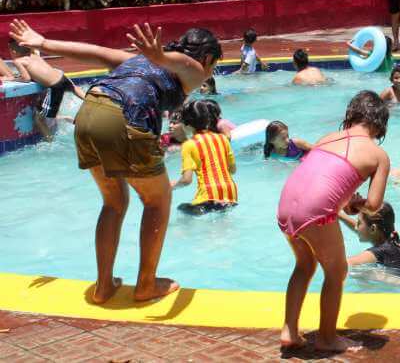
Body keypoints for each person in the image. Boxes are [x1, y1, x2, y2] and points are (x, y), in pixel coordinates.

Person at [10, 19, 221, 303]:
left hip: (89, 114)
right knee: (158, 201)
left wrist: (45, 44)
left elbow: (95, 53)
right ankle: (146, 284)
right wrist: (158, 56)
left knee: (114, 202)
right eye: (214, 65)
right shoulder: (193, 68)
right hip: (122, 118)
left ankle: (103, 286)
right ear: (207, 58)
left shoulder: (136, 60)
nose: (210, 72)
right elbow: (180, 62)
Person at [277, 90, 390, 351]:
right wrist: (358, 204)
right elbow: (373, 205)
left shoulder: (327, 138)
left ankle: (289, 330)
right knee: (337, 270)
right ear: (380, 124)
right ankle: (327, 338)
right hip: (314, 212)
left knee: (304, 265)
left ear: (351, 115)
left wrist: (347, 203)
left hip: (286, 204)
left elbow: (322, 179)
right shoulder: (378, 155)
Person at [8, 39, 85, 141]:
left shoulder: (18, 61)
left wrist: (12, 78)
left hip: (54, 87)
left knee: (38, 119)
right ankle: (93, 102)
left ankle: (51, 142)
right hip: (61, 77)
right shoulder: (35, 56)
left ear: (13, 52)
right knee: (74, 89)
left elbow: (26, 78)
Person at [171, 100, 238, 216]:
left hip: (208, 198)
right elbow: (232, 170)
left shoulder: (189, 145)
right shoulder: (222, 139)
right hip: (231, 195)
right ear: (208, 120)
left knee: (181, 209)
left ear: (186, 125)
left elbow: (186, 180)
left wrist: (172, 187)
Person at [338, 202, 400, 278]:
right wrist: (339, 215)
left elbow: (342, 265)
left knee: (361, 273)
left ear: (373, 229)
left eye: (359, 223)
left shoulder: (378, 252)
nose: (356, 227)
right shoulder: (393, 240)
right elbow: (364, 229)